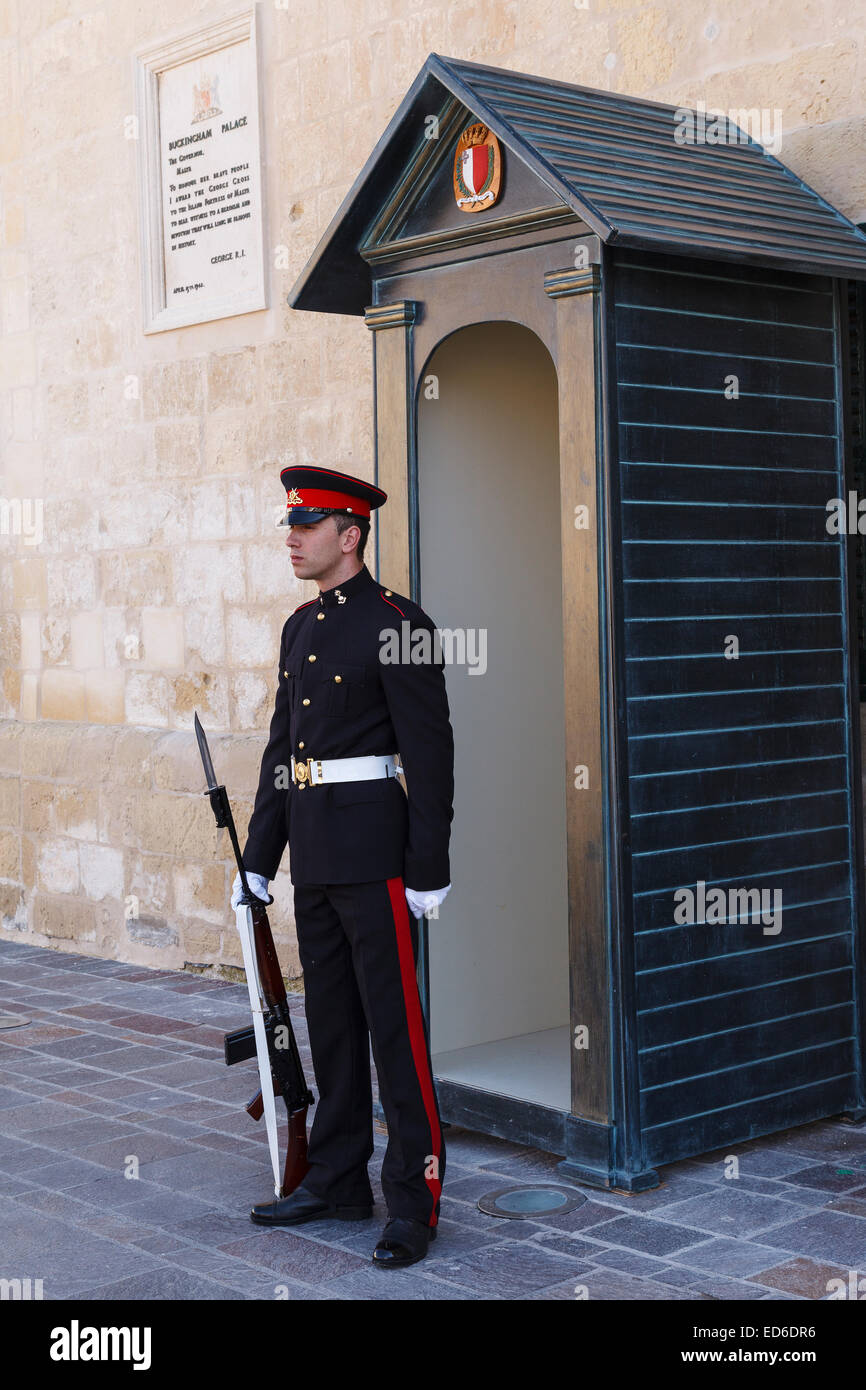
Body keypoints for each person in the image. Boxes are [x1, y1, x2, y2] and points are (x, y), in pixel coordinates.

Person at [231, 464, 454, 1269]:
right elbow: (280, 748)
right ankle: (336, 1180)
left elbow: (430, 755)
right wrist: (260, 860)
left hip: (376, 855)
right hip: (315, 853)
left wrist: (430, 866)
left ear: (349, 534)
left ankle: (414, 1199)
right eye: (291, 525)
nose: (291, 538)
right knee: (329, 1022)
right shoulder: (300, 626)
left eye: (308, 526)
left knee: (395, 1032)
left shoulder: (399, 622)